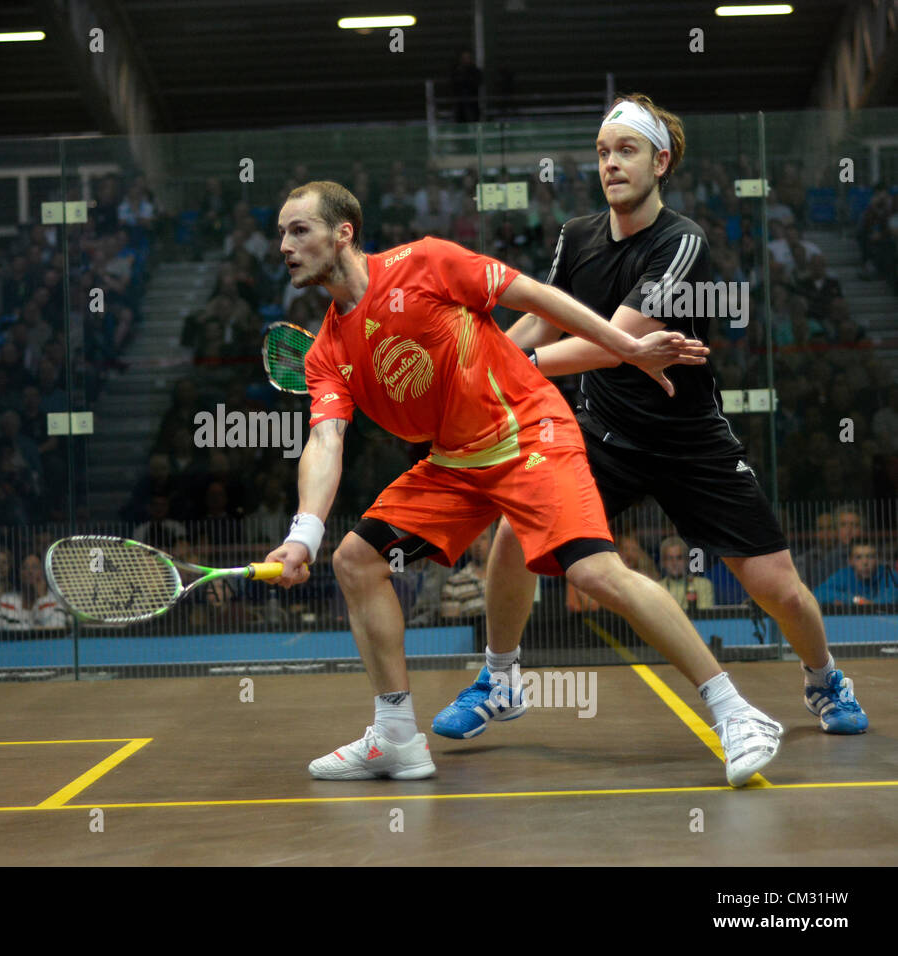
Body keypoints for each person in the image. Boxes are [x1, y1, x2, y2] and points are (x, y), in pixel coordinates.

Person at [264, 180, 783, 787]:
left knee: (593, 572)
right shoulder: (326, 350)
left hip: (529, 432)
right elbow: (326, 441)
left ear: (343, 233)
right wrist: (303, 536)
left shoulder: (426, 261)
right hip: (456, 462)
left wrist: (625, 347)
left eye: (298, 230)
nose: (285, 245)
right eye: (280, 234)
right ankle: (397, 737)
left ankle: (735, 712)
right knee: (355, 560)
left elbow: (538, 297)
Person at [447, 94, 867, 737]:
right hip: (603, 436)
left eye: (627, 151)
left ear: (660, 161)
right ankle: (500, 679)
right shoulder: (577, 235)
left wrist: (515, 370)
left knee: (778, 589)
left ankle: (823, 677)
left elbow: (615, 344)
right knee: (513, 533)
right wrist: (485, 356)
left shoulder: (682, 243)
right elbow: (545, 318)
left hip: (690, 445)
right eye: (603, 153)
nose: (611, 164)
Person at [814, 541, 898, 608]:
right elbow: (818, 593)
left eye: (870, 556)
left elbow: (890, 600)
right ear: (850, 561)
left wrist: (846, 601)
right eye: (859, 557)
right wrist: (856, 600)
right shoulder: (844, 574)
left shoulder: (890, 575)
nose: (865, 562)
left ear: (878, 559)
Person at [658, 535, 715, 612]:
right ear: (663, 562)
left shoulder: (703, 584)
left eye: (679, 558)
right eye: (669, 558)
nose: (674, 563)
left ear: (687, 560)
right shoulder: (656, 587)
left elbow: (705, 617)